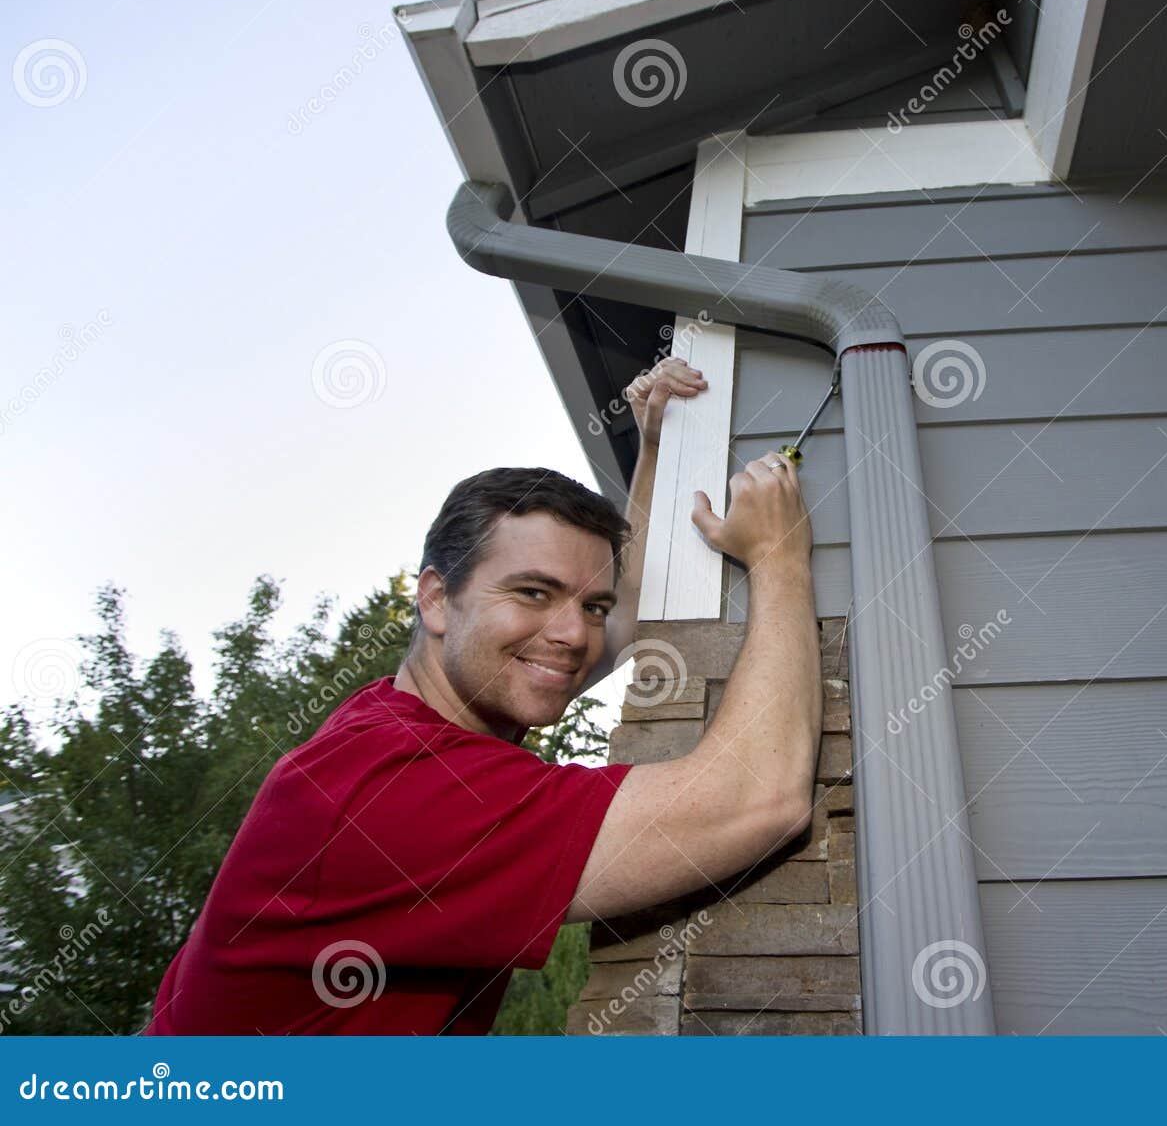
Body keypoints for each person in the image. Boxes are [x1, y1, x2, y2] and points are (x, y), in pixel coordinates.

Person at [142, 357, 821, 1034]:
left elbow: (625, 611)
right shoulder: (396, 787)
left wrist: (658, 446)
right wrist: (780, 554)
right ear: (437, 598)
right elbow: (758, 798)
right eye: (532, 592)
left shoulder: (404, 716)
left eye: (588, 605)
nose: (572, 634)